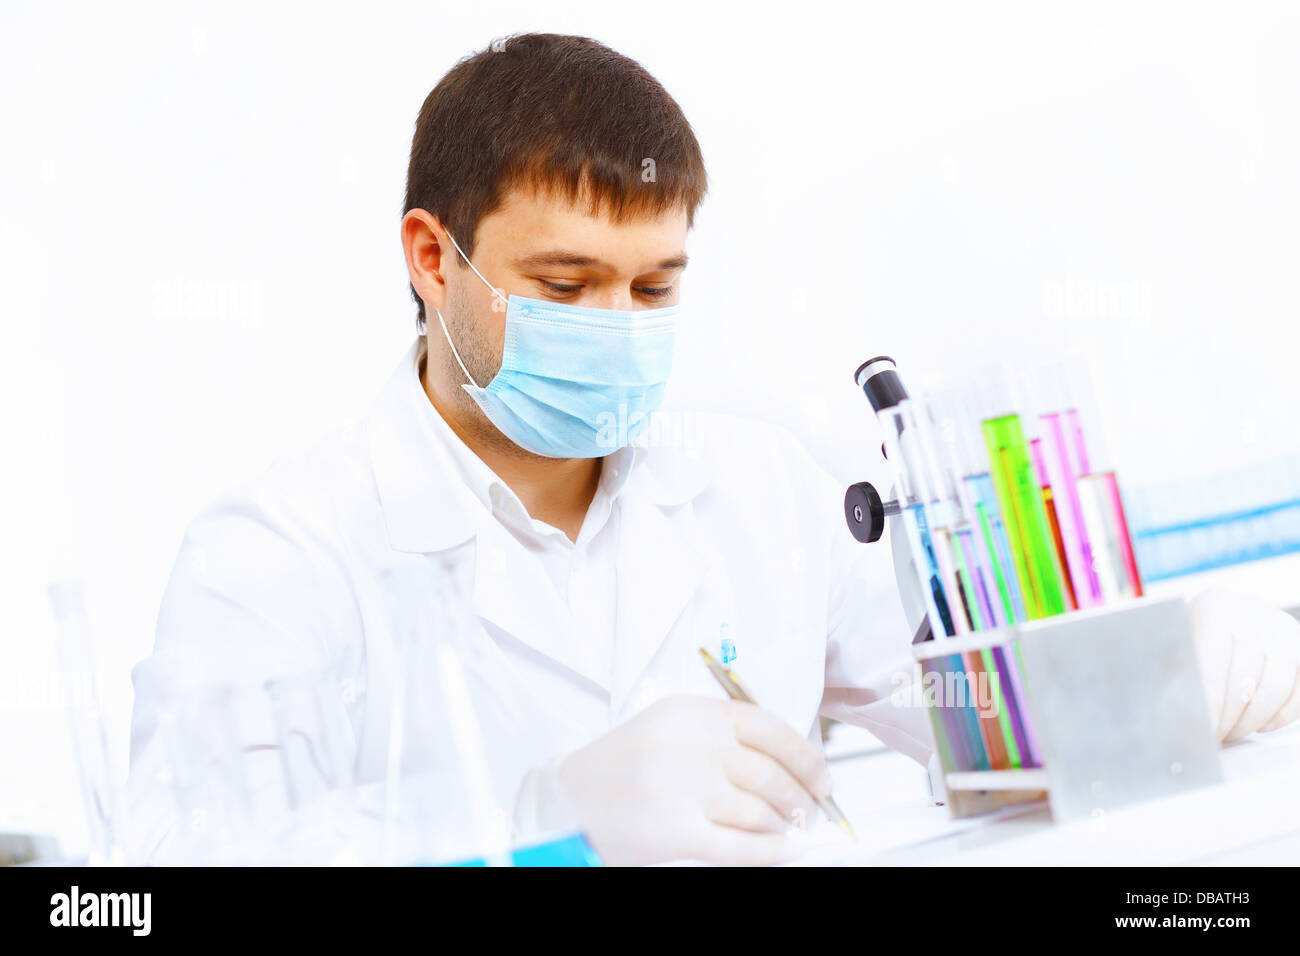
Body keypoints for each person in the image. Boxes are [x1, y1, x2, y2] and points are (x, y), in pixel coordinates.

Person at [127, 33, 1300, 866]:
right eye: (566, 284)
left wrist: (1162, 673)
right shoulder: (276, 555)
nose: (621, 327)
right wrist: (537, 821)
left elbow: (968, 723)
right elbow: (170, 866)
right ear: (433, 259)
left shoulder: (758, 490)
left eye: (655, 284)